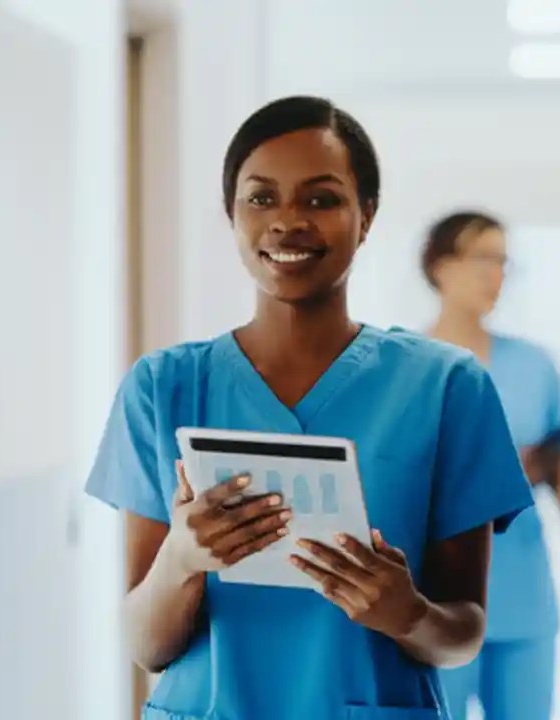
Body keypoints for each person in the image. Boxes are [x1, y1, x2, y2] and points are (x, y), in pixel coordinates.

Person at [85, 95, 533, 720]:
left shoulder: (445, 387)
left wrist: (407, 613)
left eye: (321, 199)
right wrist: (181, 562)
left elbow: (462, 634)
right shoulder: (163, 387)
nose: (286, 221)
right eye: (260, 197)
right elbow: (146, 645)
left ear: (367, 215)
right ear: (231, 212)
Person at [421, 210, 560, 720]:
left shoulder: (534, 365)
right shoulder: (404, 366)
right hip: (432, 595)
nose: (496, 275)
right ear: (440, 266)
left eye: (504, 263)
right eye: (484, 258)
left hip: (523, 595)